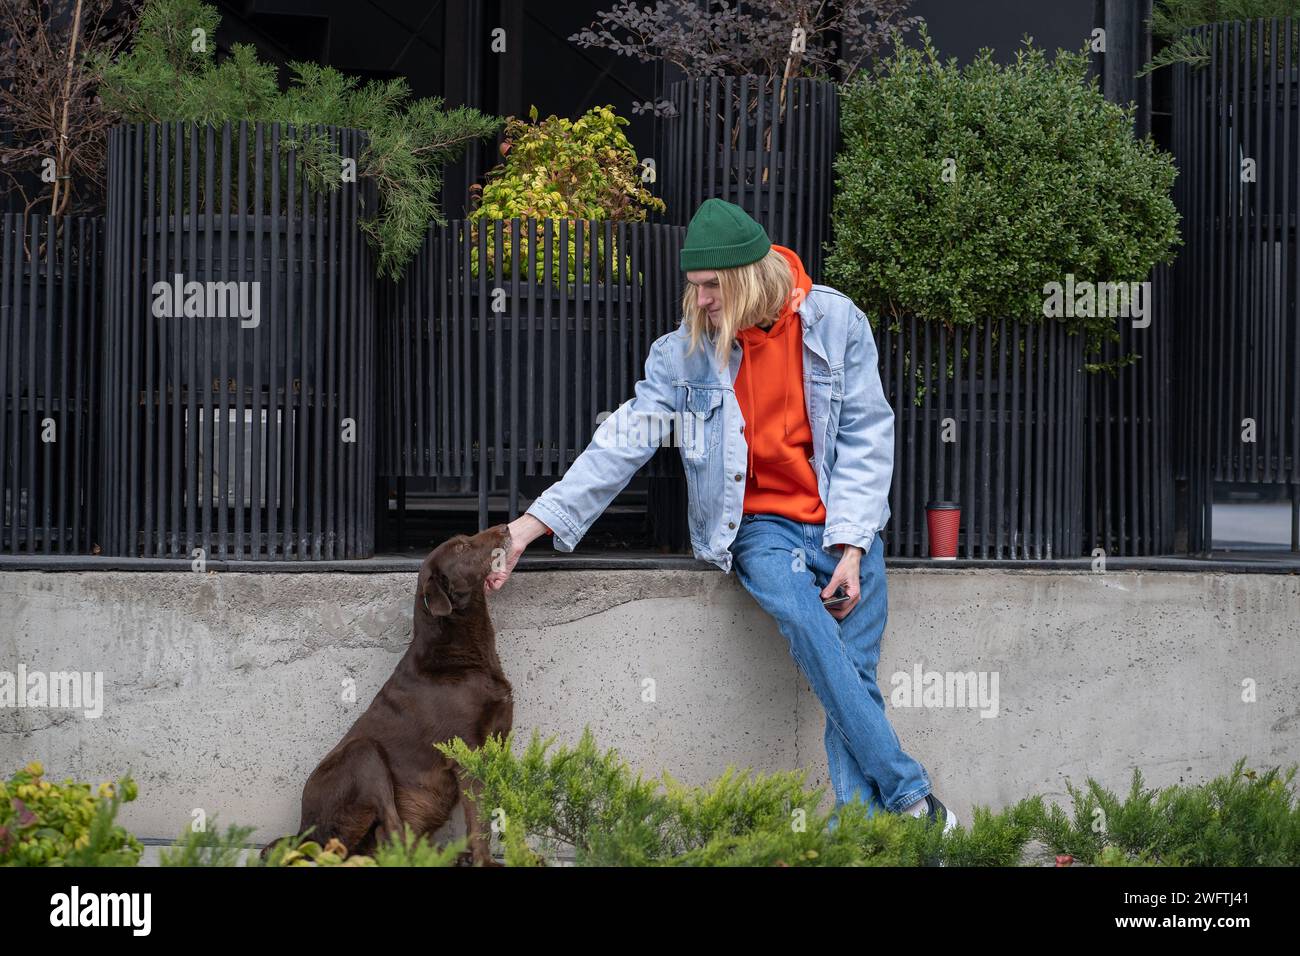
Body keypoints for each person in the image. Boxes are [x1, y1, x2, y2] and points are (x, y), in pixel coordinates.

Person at [484, 198, 957, 833]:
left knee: (852, 676)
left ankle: (863, 839)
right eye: (695, 287)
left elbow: (870, 436)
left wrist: (850, 547)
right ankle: (912, 800)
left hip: (845, 525)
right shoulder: (686, 355)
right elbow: (623, 440)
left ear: (747, 277)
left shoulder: (837, 323)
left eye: (712, 287)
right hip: (760, 530)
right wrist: (526, 528)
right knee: (811, 629)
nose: (701, 301)